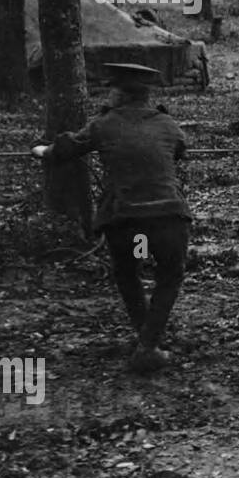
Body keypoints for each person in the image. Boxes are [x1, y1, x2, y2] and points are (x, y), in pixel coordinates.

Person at [32, 63, 191, 374]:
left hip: (125, 218)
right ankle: (149, 342)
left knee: (128, 274)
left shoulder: (103, 125)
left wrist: (42, 151)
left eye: (112, 90)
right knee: (169, 277)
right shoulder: (169, 124)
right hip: (168, 217)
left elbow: (65, 149)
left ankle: (146, 342)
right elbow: (179, 151)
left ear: (119, 94)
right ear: (147, 96)